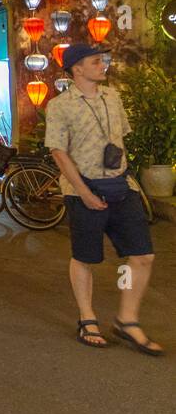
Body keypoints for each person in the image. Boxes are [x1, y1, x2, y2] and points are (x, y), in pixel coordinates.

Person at [45, 44, 161, 354]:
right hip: (82, 189)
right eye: (96, 61)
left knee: (143, 255)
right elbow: (59, 151)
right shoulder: (60, 105)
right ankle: (87, 318)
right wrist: (84, 191)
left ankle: (128, 320)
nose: (102, 65)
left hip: (122, 186)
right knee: (85, 257)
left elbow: (120, 139)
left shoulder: (113, 97)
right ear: (77, 69)